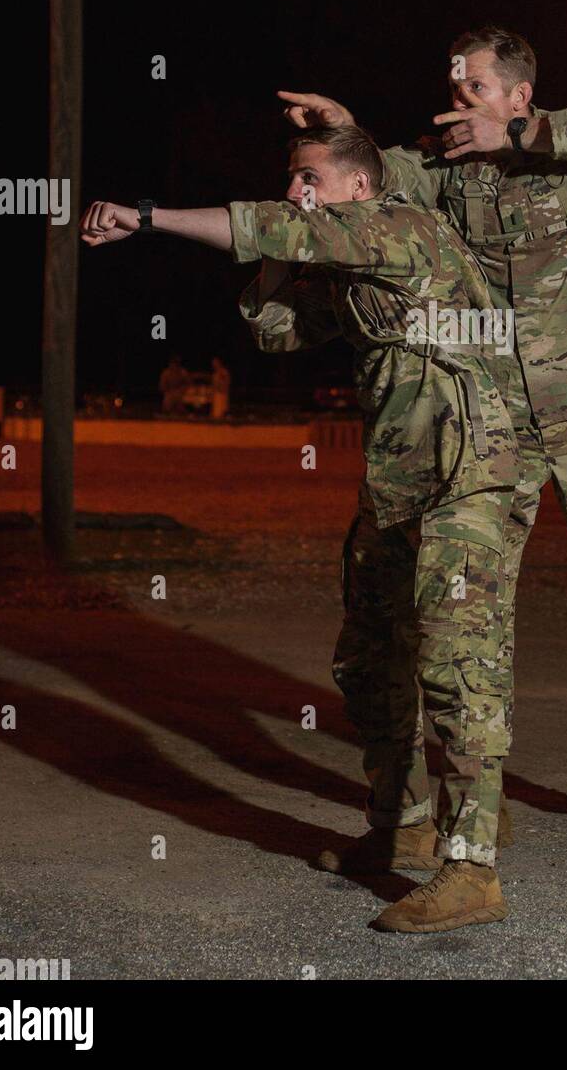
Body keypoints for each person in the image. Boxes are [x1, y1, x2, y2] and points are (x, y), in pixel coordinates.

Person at [80, 125, 521, 934]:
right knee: (367, 656)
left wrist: (147, 216)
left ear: (358, 186)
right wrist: (292, 243)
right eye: (290, 181)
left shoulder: (402, 227)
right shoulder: (343, 261)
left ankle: (472, 870)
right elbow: (273, 328)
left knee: (460, 659)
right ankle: (405, 822)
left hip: (471, 472)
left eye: (310, 179)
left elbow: (273, 226)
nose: (296, 191)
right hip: (398, 477)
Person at [279, 26, 567, 863]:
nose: (457, 97)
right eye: (453, 82)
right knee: (475, 612)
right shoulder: (446, 170)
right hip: (497, 426)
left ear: (518, 94)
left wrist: (519, 137)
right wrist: (346, 123)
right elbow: (378, 174)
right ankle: (482, 805)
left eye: (474, 86)